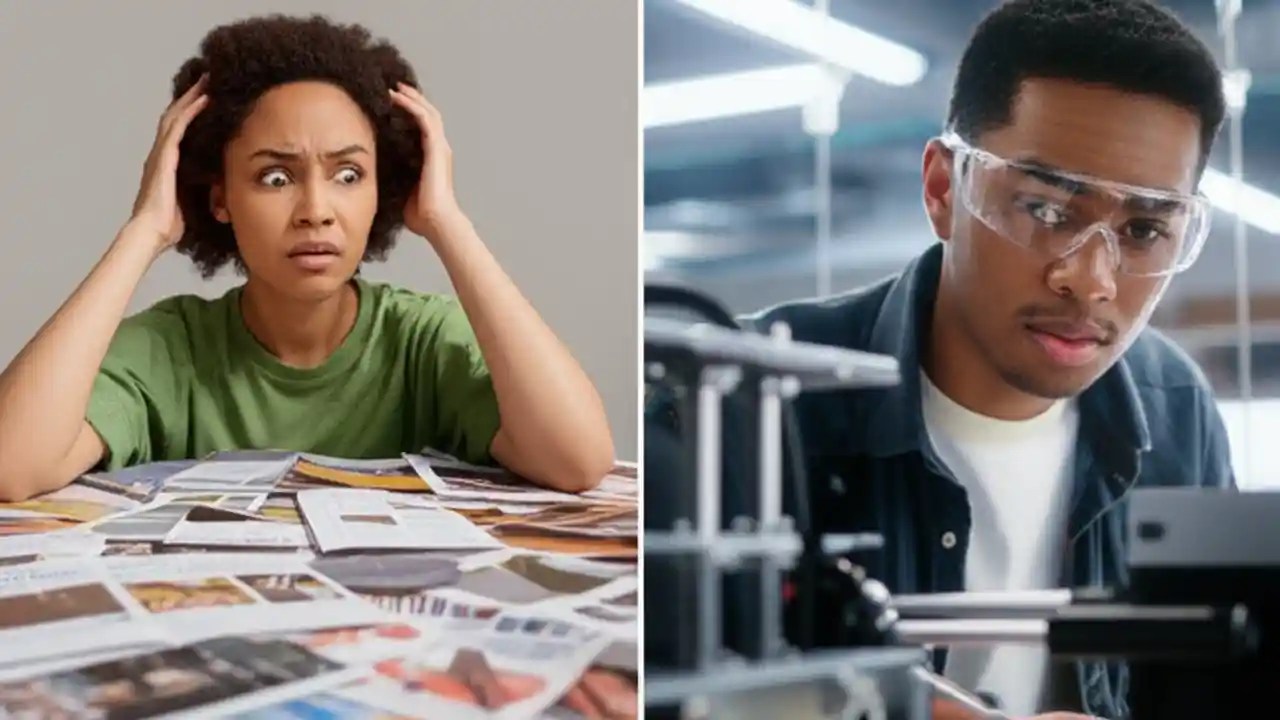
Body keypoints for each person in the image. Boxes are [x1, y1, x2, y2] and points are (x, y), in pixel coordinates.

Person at [666, 1, 1233, 718]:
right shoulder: (741, 397)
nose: (1090, 280)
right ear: (943, 189)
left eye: (1145, 229)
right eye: (1046, 210)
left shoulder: (1176, 411)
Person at [0, 14, 614, 502]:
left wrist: (448, 222)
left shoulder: (424, 341)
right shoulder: (169, 351)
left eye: (349, 174)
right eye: (275, 177)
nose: (316, 211)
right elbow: (10, 466)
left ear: (383, 189)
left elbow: (578, 461)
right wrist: (145, 229)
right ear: (221, 198)